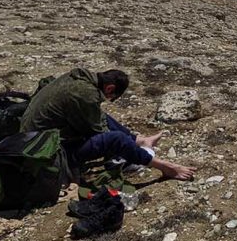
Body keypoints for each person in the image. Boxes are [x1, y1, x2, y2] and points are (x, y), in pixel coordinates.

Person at [20, 67, 196, 181]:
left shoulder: (78, 78)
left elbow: (95, 120)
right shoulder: (85, 95)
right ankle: (164, 166)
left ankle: (139, 141)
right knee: (115, 139)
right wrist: (117, 143)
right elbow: (100, 132)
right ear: (110, 88)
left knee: (100, 115)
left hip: (32, 139)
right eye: (111, 97)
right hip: (46, 153)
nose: (108, 99)